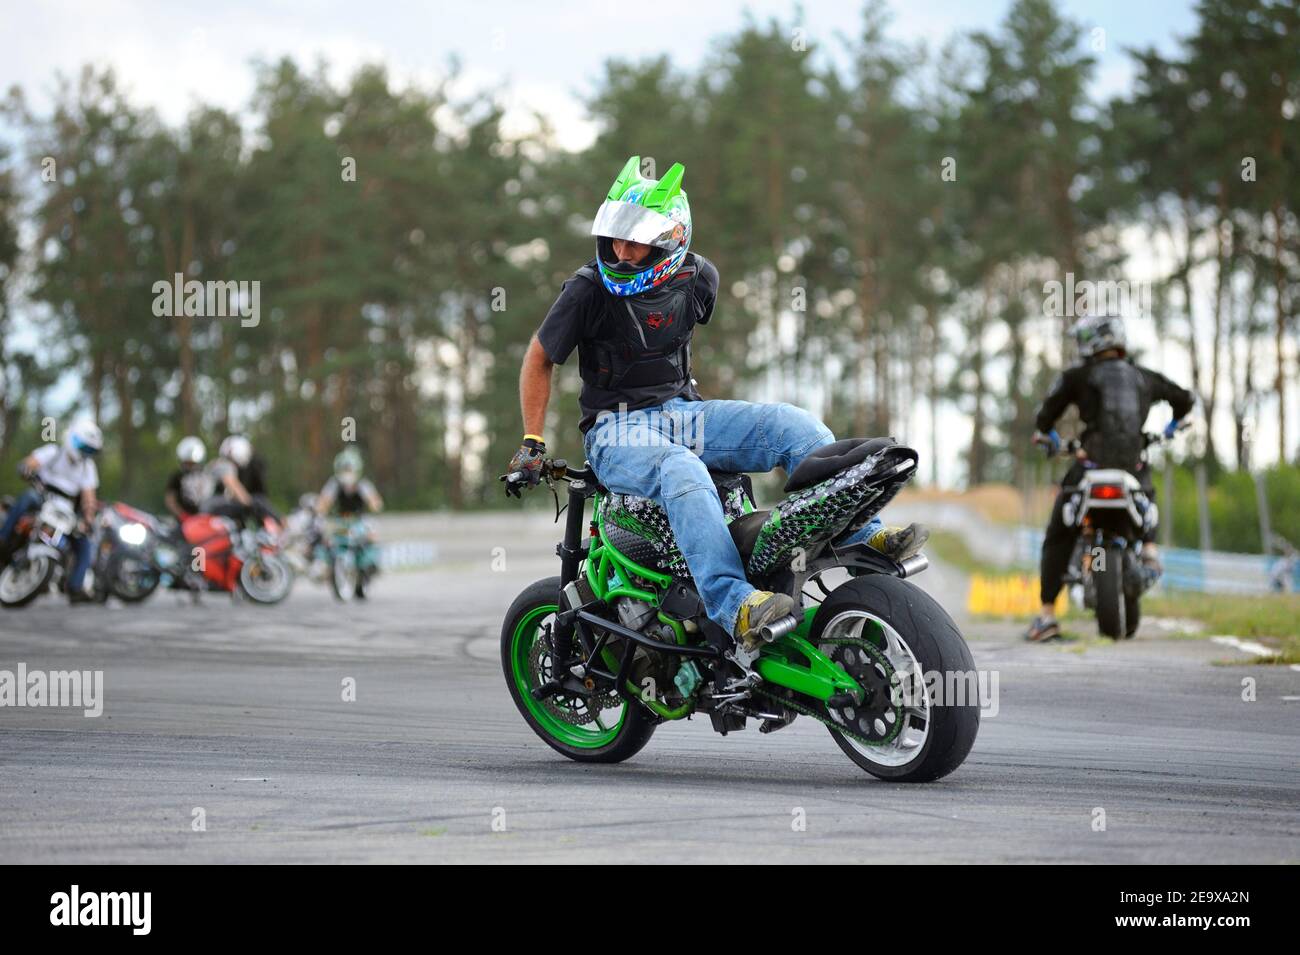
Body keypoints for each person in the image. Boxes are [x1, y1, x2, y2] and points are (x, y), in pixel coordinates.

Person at [507, 155, 928, 652]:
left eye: (635, 242)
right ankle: (734, 604)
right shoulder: (585, 290)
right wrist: (532, 440)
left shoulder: (700, 278)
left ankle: (862, 537)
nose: (619, 252)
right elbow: (539, 359)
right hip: (614, 430)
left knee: (794, 426)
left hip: (683, 413)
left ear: (670, 240)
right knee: (680, 468)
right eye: (614, 239)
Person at [1025, 315, 1195, 641]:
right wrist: (1173, 426)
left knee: (1059, 532)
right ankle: (1149, 547)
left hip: (1091, 465)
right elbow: (1185, 399)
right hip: (1133, 467)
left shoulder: (1078, 376)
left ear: (1094, 342)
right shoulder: (1144, 376)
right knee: (1147, 492)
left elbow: (1044, 416)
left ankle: (1047, 615)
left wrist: (1049, 437)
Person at [0, 419, 102, 602]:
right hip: (42, 498)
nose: (85, 452)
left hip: (65, 511)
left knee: (85, 543)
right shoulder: (54, 451)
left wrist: (88, 519)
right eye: (83, 446)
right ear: (73, 438)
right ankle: (3, 538)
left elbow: (89, 498)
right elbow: (31, 462)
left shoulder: (88, 468)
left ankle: (75, 587)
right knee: (28, 496)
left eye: (90, 450)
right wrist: (27, 468)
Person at [315, 448, 383, 519]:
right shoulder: (334, 483)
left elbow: (375, 502)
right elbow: (323, 501)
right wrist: (322, 506)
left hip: (359, 521)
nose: (347, 473)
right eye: (345, 469)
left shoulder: (362, 484)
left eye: (349, 469)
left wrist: (374, 503)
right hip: (339, 520)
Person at [164, 436, 214, 519]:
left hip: (205, 520)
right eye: (187, 463)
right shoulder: (177, 476)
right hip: (184, 521)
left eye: (192, 463)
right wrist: (182, 515)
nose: (190, 466)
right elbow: (170, 500)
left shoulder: (208, 475)